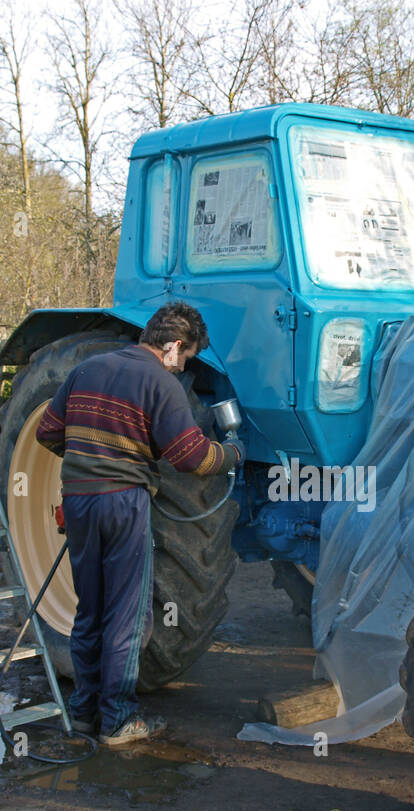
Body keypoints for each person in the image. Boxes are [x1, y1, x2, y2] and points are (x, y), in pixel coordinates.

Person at [34, 301, 242, 747]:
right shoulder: (160, 384)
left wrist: (89, 463)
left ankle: (84, 715)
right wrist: (233, 454)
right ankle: (119, 720)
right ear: (172, 347)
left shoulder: (88, 368)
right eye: (185, 358)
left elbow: (47, 432)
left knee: (89, 610)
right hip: (123, 505)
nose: (182, 365)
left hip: (79, 503)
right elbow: (192, 457)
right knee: (128, 616)